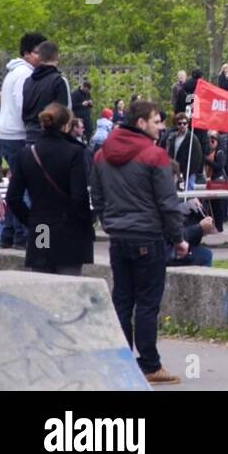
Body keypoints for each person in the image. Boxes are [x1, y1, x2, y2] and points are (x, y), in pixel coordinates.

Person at [90, 100, 187, 384]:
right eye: (157, 121)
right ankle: (149, 365)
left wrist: (109, 223)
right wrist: (178, 238)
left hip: (118, 237)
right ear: (141, 122)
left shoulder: (101, 154)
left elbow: (96, 197)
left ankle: (120, 361)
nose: (162, 127)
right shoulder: (155, 155)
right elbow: (167, 203)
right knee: (146, 303)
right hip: (148, 237)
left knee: (122, 300)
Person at [6, 102, 93, 275]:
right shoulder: (74, 152)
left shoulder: (27, 153)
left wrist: (31, 219)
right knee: (69, 285)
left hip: (41, 227)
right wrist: (86, 223)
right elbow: (79, 196)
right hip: (69, 228)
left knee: (42, 281)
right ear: (66, 125)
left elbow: (13, 198)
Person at [0, 33, 45, 249]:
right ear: (26, 53)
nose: (41, 57)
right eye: (37, 52)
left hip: (7, 134)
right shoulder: (25, 75)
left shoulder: (14, 72)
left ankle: (8, 234)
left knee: (17, 186)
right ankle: (23, 236)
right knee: (26, 188)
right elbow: (23, 104)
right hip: (17, 135)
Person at [22, 40, 71, 145]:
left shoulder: (28, 81)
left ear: (39, 57)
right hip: (51, 138)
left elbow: (24, 112)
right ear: (57, 57)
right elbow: (62, 114)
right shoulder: (59, 81)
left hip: (30, 136)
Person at [166, 113, 203, 190]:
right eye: (179, 123)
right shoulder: (173, 137)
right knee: (177, 196)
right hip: (175, 173)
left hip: (188, 174)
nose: (182, 125)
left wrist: (185, 174)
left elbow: (197, 159)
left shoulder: (193, 139)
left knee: (188, 197)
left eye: (185, 123)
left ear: (187, 124)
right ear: (176, 125)